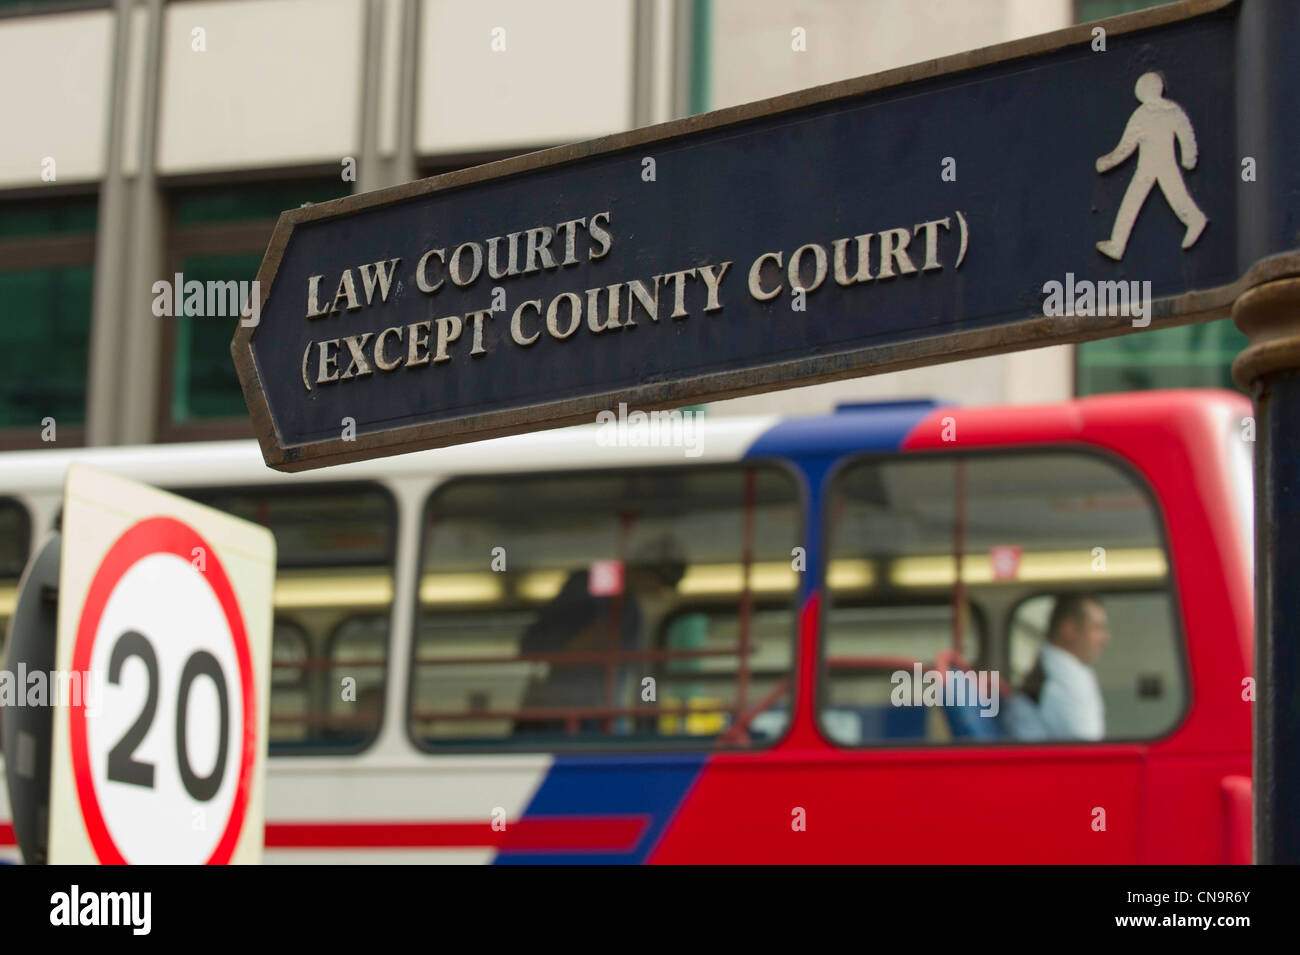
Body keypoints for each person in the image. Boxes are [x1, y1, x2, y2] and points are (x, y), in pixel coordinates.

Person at [514, 535, 686, 734]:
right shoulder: (597, 584)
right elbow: (533, 645)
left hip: (600, 712)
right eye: (658, 583)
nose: (655, 591)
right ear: (646, 573)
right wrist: (576, 644)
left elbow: (634, 667)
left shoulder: (630, 610)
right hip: (564, 713)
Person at [1007, 593, 1111, 741]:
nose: (1105, 638)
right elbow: (1087, 748)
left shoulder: (1057, 669)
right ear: (1068, 629)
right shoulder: (1064, 679)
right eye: (1096, 628)